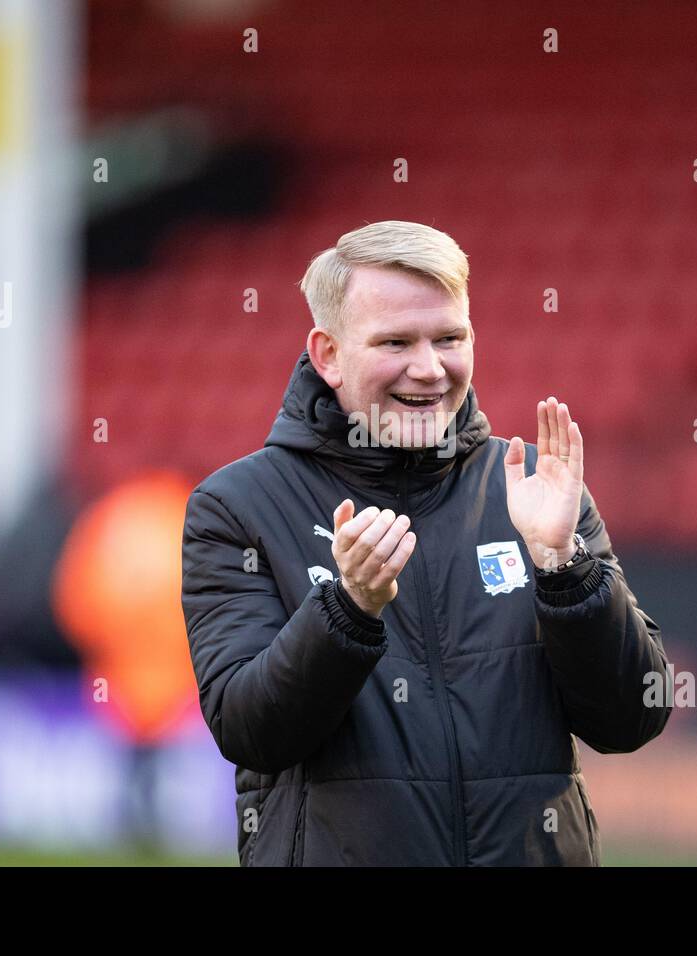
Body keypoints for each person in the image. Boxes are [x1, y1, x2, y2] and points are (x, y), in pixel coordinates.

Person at [181, 220, 671, 865]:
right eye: (396, 342)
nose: (429, 368)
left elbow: (631, 719)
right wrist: (346, 610)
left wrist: (566, 570)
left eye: (449, 338)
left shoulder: (533, 492)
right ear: (327, 354)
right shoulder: (238, 507)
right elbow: (251, 730)